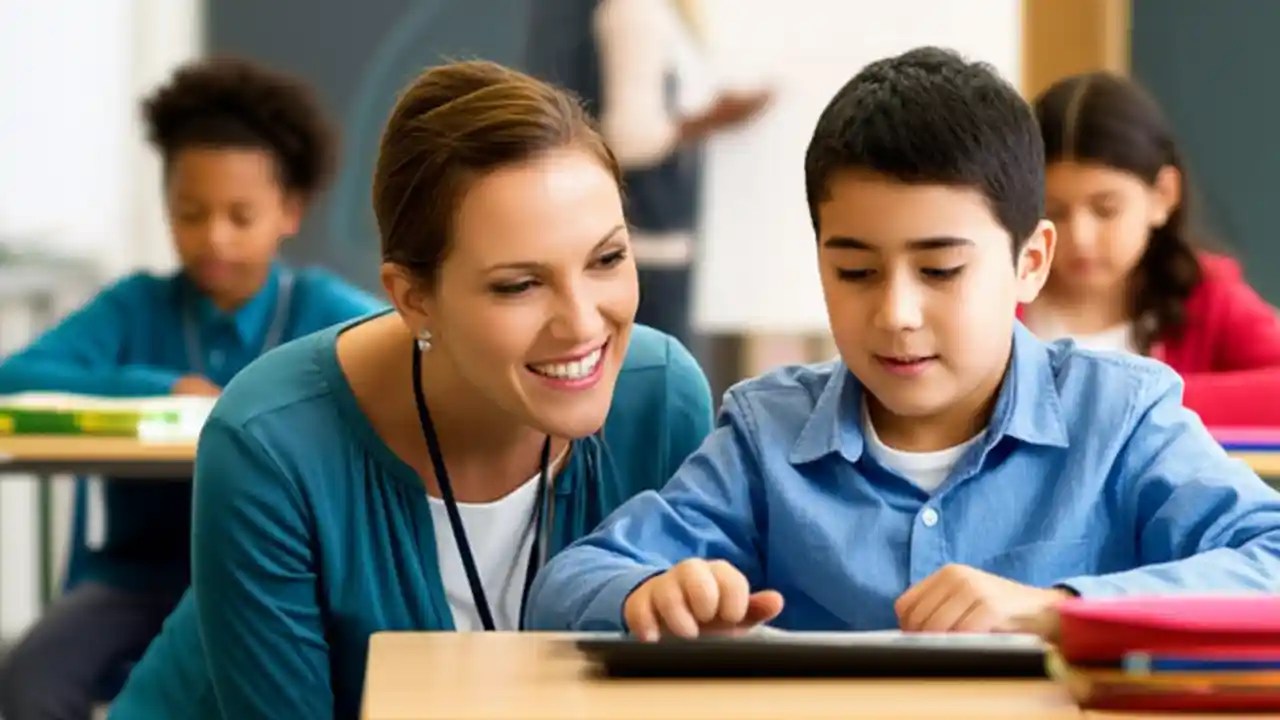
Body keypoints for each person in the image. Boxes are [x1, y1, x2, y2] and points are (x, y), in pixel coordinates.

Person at [525, 47, 1280, 639]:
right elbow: (572, 582)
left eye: (942, 269)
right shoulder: (767, 435)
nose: (896, 314)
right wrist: (649, 594)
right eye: (854, 270)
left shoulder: (1118, 417)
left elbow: (1268, 561)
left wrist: (1056, 608)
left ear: (1030, 262)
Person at [107, 59, 714, 719]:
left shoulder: (661, 398)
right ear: (412, 297)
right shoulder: (268, 444)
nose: (582, 322)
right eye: (519, 284)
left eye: (607, 260)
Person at [0, 56, 382, 720]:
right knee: (30, 679)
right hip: (135, 582)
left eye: (241, 214)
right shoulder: (136, 306)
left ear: (289, 211)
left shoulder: (325, 311)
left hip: (275, 580)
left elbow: (406, 362)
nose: (214, 237)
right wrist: (158, 388)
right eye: (190, 213)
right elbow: (15, 376)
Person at [525, 0, 770, 350]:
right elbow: (629, 137)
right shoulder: (635, 11)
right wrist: (715, 119)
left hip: (647, 241)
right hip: (647, 242)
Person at [1022, 71, 1280, 369]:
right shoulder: (1001, 301)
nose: (1080, 237)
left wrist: (1154, 400)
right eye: (1054, 212)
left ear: (1163, 195)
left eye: (1106, 210)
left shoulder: (1207, 300)